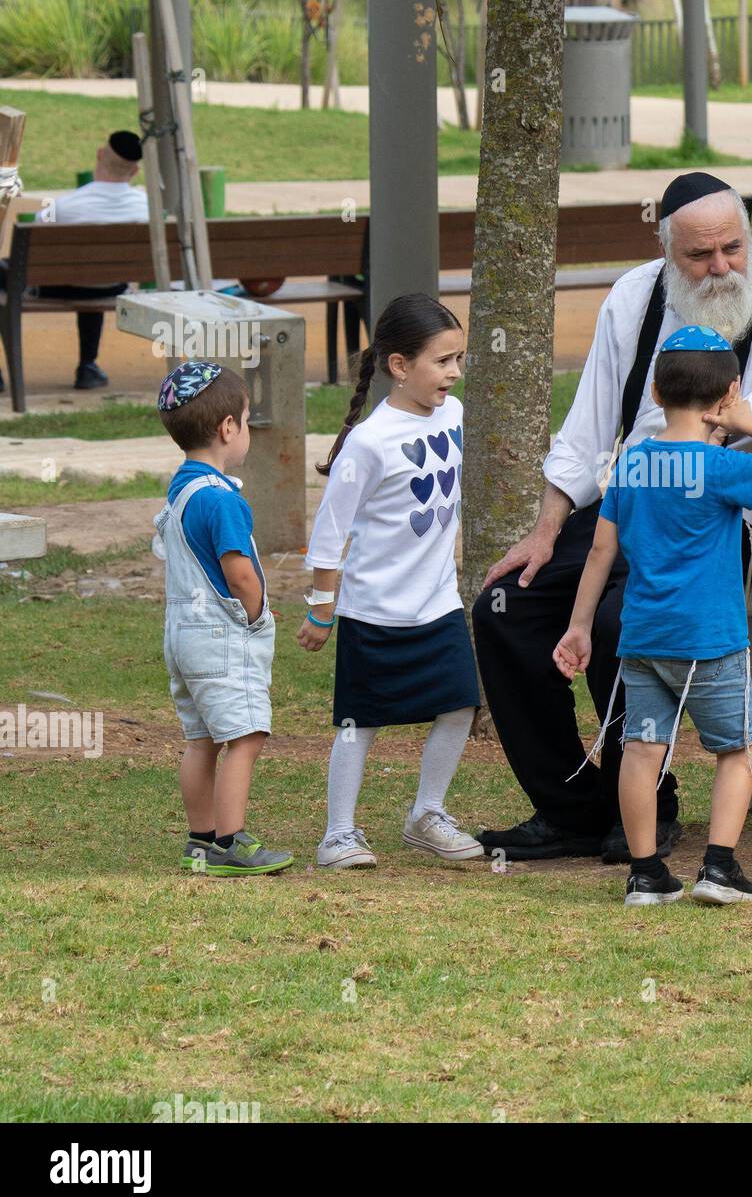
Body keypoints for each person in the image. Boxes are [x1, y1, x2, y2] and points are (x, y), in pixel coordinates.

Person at [474, 172, 752, 865]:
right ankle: (571, 807)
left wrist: (730, 416)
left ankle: (649, 807)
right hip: (641, 498)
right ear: (667, 252)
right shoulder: (636, 295)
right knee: (504, 605)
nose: (720, 268)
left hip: (744, 517)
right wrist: (546, 527)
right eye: (699, 257)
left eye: (731, 249)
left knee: (624, 618)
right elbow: (590, 425)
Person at [553, 326, 752, 906]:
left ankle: (645, 873)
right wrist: (747, 422)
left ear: (654, 391)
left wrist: (579, 627)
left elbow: (602, 552)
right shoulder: (721, 467)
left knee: (642, 750)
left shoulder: (631, 463)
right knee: (737, 749)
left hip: (642, 635)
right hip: (712, 640)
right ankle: (719, 869)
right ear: (729, 391)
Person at [301, 293, 482, 870]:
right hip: (374, 611)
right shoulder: (369, 442)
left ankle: (426, 813)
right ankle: (339, 834)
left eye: (459, 359)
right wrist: (320, 609)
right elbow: (330, 533)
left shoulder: (453, 414)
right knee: (361, 722)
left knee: (460, 705)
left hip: (439, 604)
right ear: (400, 366)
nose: (454, 372)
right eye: (443, 361)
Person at [155, 361, 292, 877]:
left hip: (182, 635)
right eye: (248, 419)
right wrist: (256, 615)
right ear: (228, 428)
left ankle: (200, 841)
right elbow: (239, 573)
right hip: (220, 637)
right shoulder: (221, 499)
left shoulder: (181, 491)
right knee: (246, 735)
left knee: (202, 739)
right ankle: (232, 843)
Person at [35, 130, 150, 390]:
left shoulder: (62, 205)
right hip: (114, 285)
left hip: (59, 287)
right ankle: (87, 365)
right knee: (95, 276)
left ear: (99, 155)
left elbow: (39, 226)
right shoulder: (147, 205)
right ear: (134, 172)